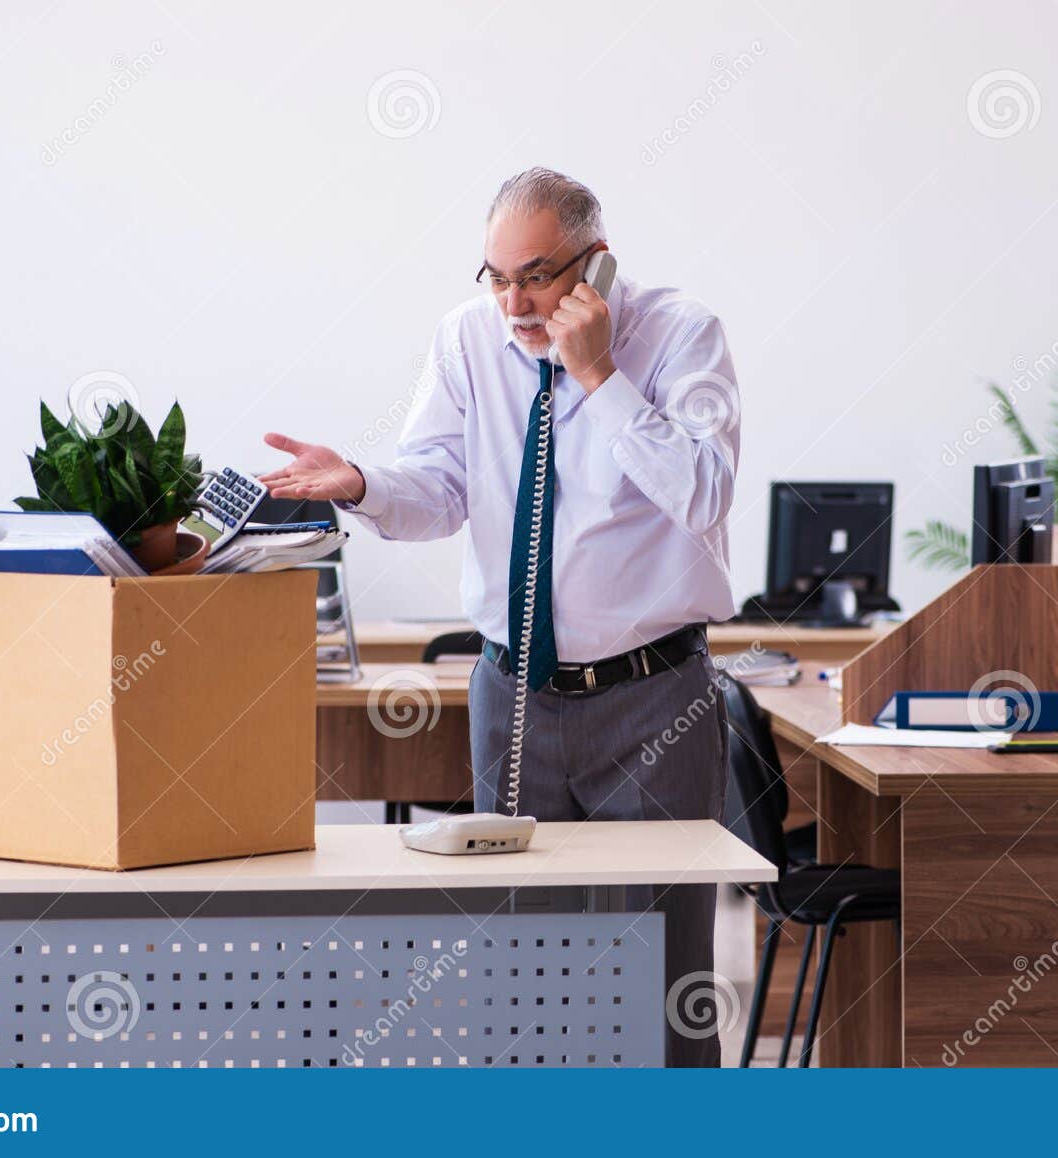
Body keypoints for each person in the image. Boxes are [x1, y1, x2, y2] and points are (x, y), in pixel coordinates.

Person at [260, 167, 741, 1066]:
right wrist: (361, 483)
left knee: (665, 973)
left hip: (654, 700)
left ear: (597, 265)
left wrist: (598, 374)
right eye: (497, 277)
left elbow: (704, 494)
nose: (514, 304)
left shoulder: (682, 334)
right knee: (523, 973)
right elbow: (440, 488)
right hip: (514, 694)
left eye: (537, 276)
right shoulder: (467, 339)